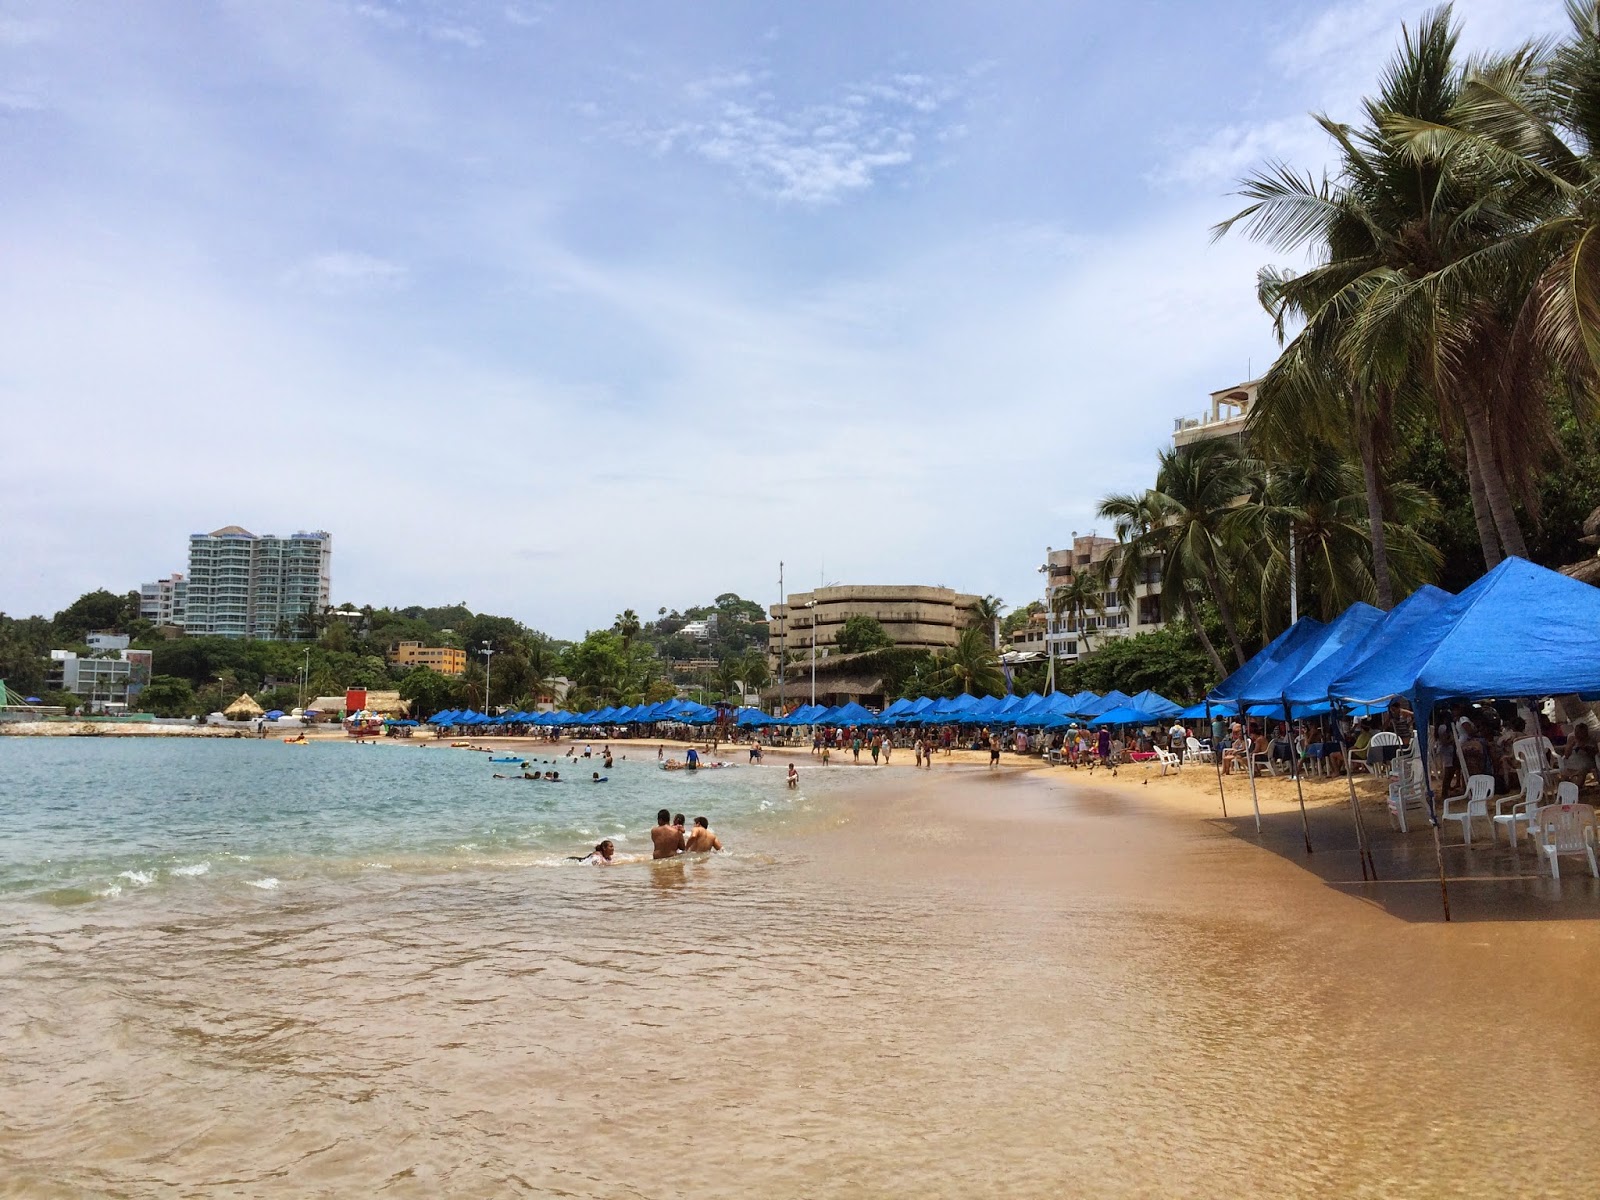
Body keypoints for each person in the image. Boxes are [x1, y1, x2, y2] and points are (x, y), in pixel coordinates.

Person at [1557, 723, 1597, 788]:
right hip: (1572, 760)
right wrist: (1571, 745)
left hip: (1585, 760)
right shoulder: (1571, 739)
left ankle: (1577, 787)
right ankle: (1565, 788)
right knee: (1564, 773)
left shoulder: (1591, 739)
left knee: (1582, 770)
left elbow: (1594, 754)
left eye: (1581, 732)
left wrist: (1585, 748)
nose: (1579, 734)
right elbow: (1566, 755)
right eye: (1577, 732)